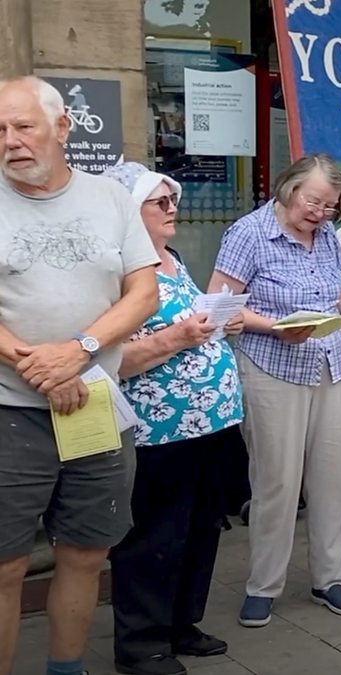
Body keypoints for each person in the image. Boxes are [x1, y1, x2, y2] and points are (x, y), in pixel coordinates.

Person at [0, 77, 159, 675]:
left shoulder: (111, 199)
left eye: (23, 126)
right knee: (5, 566)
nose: (11, 141)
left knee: (87, 551)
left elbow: (143, 293)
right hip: (10, 411)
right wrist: (44, 367)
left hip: (95, 403)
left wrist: (79, 351)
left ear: (62, 127)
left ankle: (67, 669)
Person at [207, 153, 341, 629]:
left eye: (330, 206)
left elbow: (334, 287)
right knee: (277, 482)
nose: (320, 214)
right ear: (289, 187)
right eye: (313, 202)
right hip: (272, 367)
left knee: (333, 478)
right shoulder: (248, 233)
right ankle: (263, 586)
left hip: (329, 364)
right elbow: (218, 306)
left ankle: (330, 578)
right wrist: (275, 328)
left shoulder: (326, 234)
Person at [101, 161, 245, 675]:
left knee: (201, 529)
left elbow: (191, 324)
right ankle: (142, 646)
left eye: (173, 200)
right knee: (153, 537)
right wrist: (178, 338)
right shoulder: (118, 273)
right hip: (159, 430)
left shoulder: (171, 258)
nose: (172, 209)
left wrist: (216, 325)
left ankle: (182, 624)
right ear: (127, 211)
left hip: (211, 423)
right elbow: (113, 359)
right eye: (159, 202)